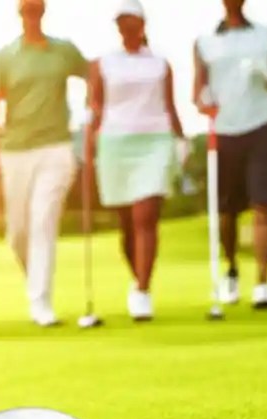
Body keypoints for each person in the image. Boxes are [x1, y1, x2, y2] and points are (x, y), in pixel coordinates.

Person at [0, 0, 90, 328]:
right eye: (26, 8)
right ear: (19, 13)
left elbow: (94, 76)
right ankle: (37, 284)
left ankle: (41, 302)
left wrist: (92, 109)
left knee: (43, 220)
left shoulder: (63, 51)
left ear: (43, 11)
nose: (31, 13)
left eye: (36, 7)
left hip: (56, 147)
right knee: (17, 233)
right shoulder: (5, 57)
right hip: (15, 150)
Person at [86, 0, 186, 322]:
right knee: (127, 225)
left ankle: (143, 290)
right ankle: (137, 278)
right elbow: (96, 107)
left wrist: (181, 141)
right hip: (115, 143)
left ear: (142, 25)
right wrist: (88, 142)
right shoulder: (103, 63)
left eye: (130, 22)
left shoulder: (160, 63)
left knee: (146, 215)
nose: (125, 27)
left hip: (154, 141)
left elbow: (170, 106)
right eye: (120, 23)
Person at [193, 0, 267, 310]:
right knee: (227, 211)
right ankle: (231, 270)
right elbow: (198, 91)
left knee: (263, 204)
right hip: (223, 130)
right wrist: (203, 101)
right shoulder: (205, 43)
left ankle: (263, 283)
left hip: (263, 125)